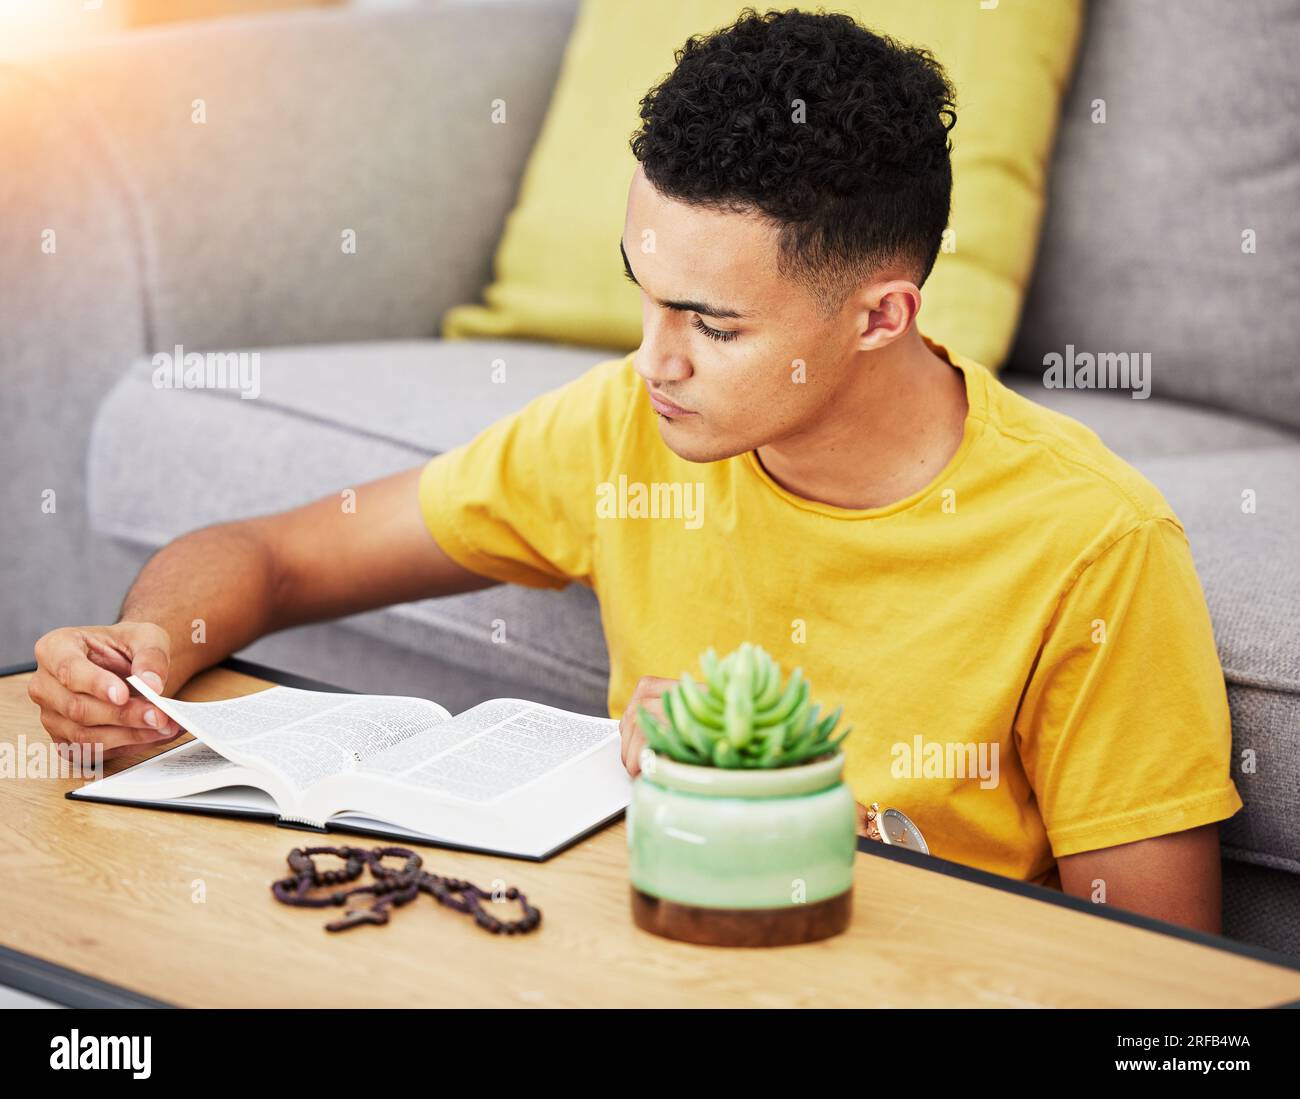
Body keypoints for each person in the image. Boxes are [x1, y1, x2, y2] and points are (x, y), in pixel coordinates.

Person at [29, 9, 1240, 932]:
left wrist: (802, 811)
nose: (652, 362)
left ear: (880, 317)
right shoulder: (632, 428)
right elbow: (276, 554)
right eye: (642, 295)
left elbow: (1168, 1006)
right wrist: (146, 649)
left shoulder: (1091, 545)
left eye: (712, 325)